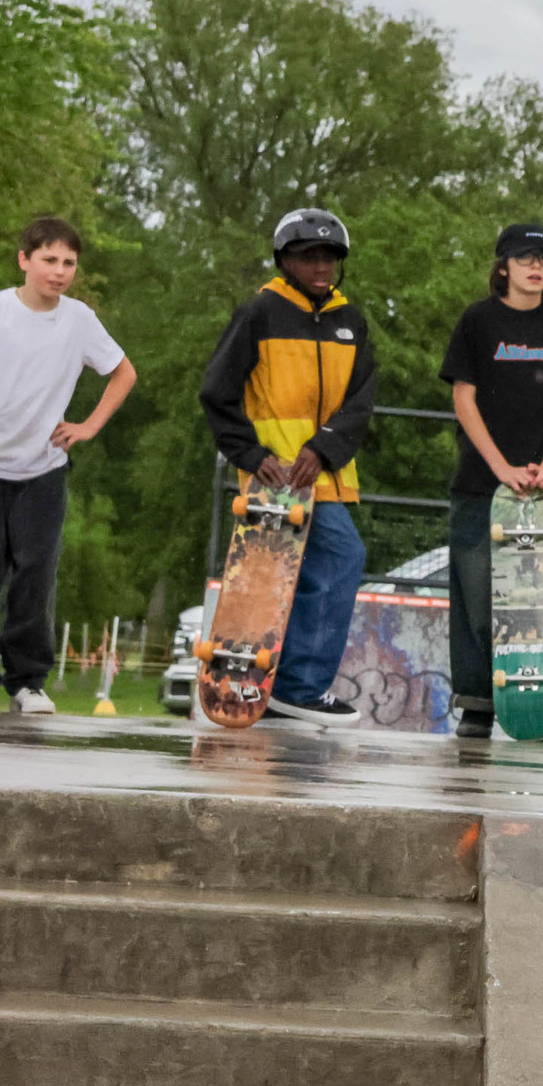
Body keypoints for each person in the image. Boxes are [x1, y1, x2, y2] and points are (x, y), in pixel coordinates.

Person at [200, 208, 376, 725]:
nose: (320, 266)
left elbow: (361, 401)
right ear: (284, 260)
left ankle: (280, 688)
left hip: (326, 475)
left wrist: (324, 448)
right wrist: (253, 457)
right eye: (308, 257)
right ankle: (299, 686)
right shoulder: (259, 314)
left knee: (313, 573)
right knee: (342, 558)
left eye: (330, 257)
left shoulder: (351, 320)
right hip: (277, 481)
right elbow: (217, 393)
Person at [438, 223, 543, 743]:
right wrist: (500, 466)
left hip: (542, 487)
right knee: (478, 596)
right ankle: (479, 707)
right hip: (482, 485)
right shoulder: (478, 321)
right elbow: (464, 398)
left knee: (541, 600)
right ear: (503, 265)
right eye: (525, 258)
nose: (537, 267)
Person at [0, 216, 135, 715]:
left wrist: (88, 426)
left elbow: (123, 373)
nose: (60, 271)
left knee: (35, 576)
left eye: (69, 262)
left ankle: (27, 682)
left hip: (43, 469)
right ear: (24, 260)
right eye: (49, 259)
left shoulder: (78, 320)